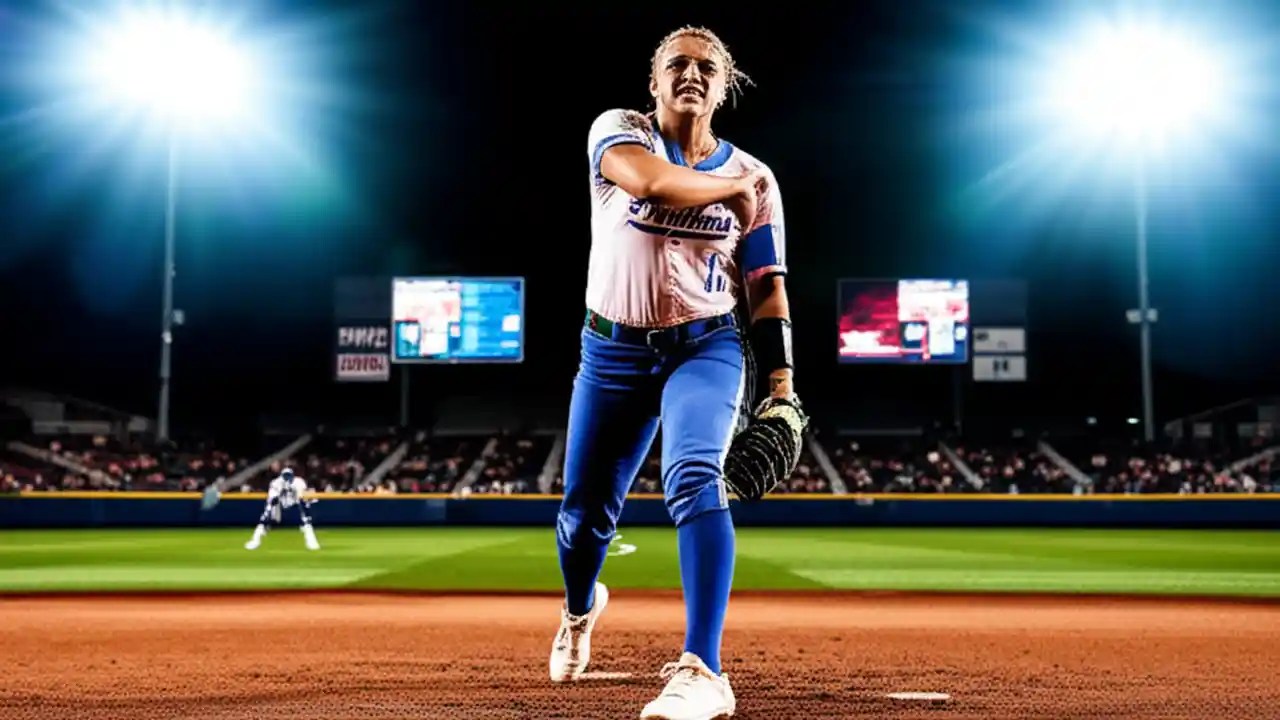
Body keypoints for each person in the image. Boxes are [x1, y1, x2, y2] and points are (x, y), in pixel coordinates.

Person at [550, 25, 797, 720]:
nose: (692, 74)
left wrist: (782, 387)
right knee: (582, 520)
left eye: (707, 67)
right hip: (612, 351)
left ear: (725, 86)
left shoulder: (758, 177)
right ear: (654, 81)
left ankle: (704, 670)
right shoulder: (618, 132)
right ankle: (579, 608)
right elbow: (650, 181)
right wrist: (729, 189)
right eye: (677, 65)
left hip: (706, 346)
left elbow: (766, 287)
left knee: (694, 474)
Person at [244, 467, 320, 551]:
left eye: (289, 476)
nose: (287, 479)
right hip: (280, 505)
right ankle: (256, 539)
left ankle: (310, 539)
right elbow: (272, 499)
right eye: (285, 476)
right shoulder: (276, 483)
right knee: (266, 513)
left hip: (294, 503)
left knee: (305, 512)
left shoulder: (299, 482)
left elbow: (302, 497)